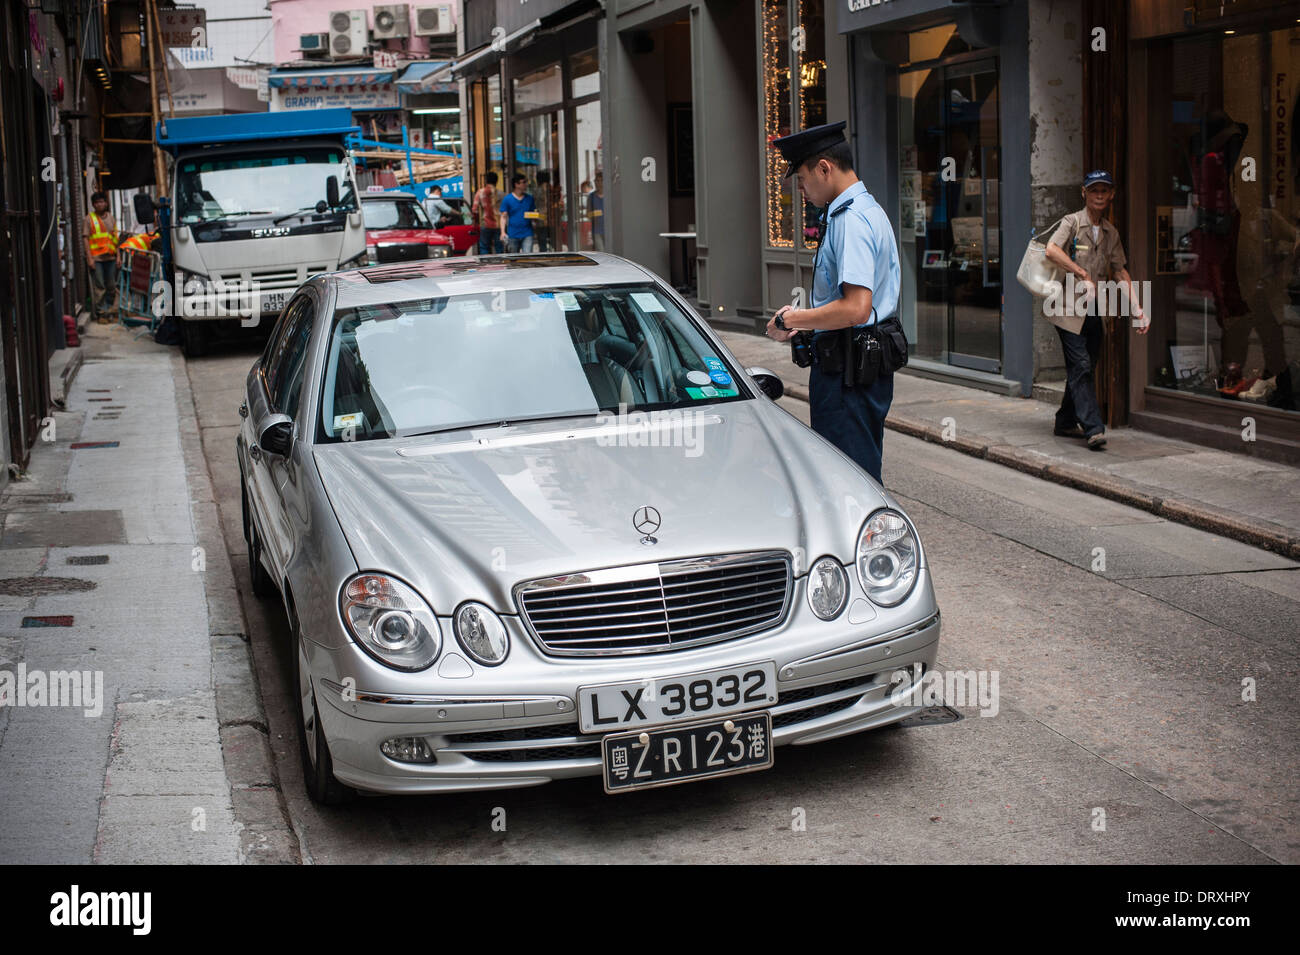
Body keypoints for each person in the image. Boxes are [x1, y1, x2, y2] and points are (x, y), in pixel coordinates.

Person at [765, 122, 904, 485]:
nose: (800, 188)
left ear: (825, 168)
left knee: (848, 480)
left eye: (802, 178)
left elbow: (856, 308)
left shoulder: (851, 221)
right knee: (856, 472)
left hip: (847, 374)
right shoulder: (867, 210)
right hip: (856, 365)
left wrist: (793, 319)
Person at [1043, 170, 1148, 450]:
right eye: (1094, 190)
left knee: (1086, 366)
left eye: (1104, 190)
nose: (1099, 195)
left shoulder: (1111, 233)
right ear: (1084, 193)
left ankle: (1065, 420)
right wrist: (1081, 273)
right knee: (1081, 365)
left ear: (1111, 195)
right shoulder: (1072, 222)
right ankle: (1093, 428)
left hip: (1092, 310)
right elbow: (1051, 250)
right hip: (1066, 307)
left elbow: (1119, 272)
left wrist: (1138, 308)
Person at [84, 191, 120, 323]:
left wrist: (118, 257)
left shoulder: (111, 218)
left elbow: (115, 239)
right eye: (97, 202)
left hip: (110, 258)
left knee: (111, 286)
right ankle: (102, 313)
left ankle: (112, 311)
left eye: (102, 202)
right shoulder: (89, 219)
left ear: (106, 203)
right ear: (93, 204)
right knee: (99, 287)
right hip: (97, 258)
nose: (100, 204)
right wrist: (89, 258)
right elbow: (86, 239)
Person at [499, 174, 536, 253]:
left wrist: (535, 219)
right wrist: (502, 232)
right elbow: (503, 216)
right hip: (513, 234)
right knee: (513, 259)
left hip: (527, 233)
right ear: (516, 184)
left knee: (527, 257)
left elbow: (534, 214)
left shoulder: (530, 199)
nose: (526, 184)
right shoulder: (507, 199)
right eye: (523, 182)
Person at [471, 171, 502, 254]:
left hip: (485, 223)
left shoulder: (480, 192)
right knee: (499, 247)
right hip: (498, 224)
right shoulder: (502, 194)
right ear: (496, 181)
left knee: (484, 247)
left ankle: (485, 265)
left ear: (486, 180)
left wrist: (476, 221)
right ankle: (501, 265)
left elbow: (474, 209)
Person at [589, 171, 605, 252]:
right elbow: (588, 215)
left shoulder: (609, 195)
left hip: (609, 229)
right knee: (601, 252)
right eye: (596, 181)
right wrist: (594, 213)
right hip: (597, 230)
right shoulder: (591, 196)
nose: (598, 183)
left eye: (601, 180)